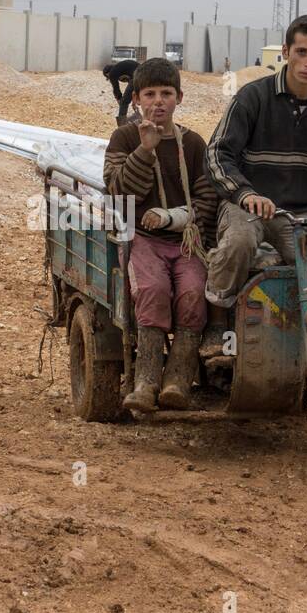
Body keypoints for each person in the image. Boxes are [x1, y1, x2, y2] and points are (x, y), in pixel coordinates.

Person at [204, 15, 307, 309]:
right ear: (286, 52)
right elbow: (218, 154)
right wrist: (246, 194)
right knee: (238, 244)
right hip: (248, 207)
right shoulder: (252, 97)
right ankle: (218, 317)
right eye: (301, 52)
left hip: (305, 212)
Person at [103, 58, 217, 411]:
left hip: (186, 241)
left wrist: (174, 218)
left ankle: (177, 383)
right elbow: (119, 193)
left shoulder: (194, 143)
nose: (158, 102)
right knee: (152, 290)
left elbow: (207, 198)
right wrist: (145, 149)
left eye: (166, 93)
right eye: (149, 94)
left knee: (194, 294)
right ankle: (146, 383)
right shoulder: (124, 137)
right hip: (141, 239)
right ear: (136, 99)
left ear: (179, 97)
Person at [103, 59, 140, 125]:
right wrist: (134, 102)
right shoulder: (122, 68)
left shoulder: (112, 73)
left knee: (124, 102)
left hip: (137, 76)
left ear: (107, 74)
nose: (109, 79)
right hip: (143, 75)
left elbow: (116, 89)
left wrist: (119, 99)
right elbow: (133, 90)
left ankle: (121, 127)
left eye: (108, 77)